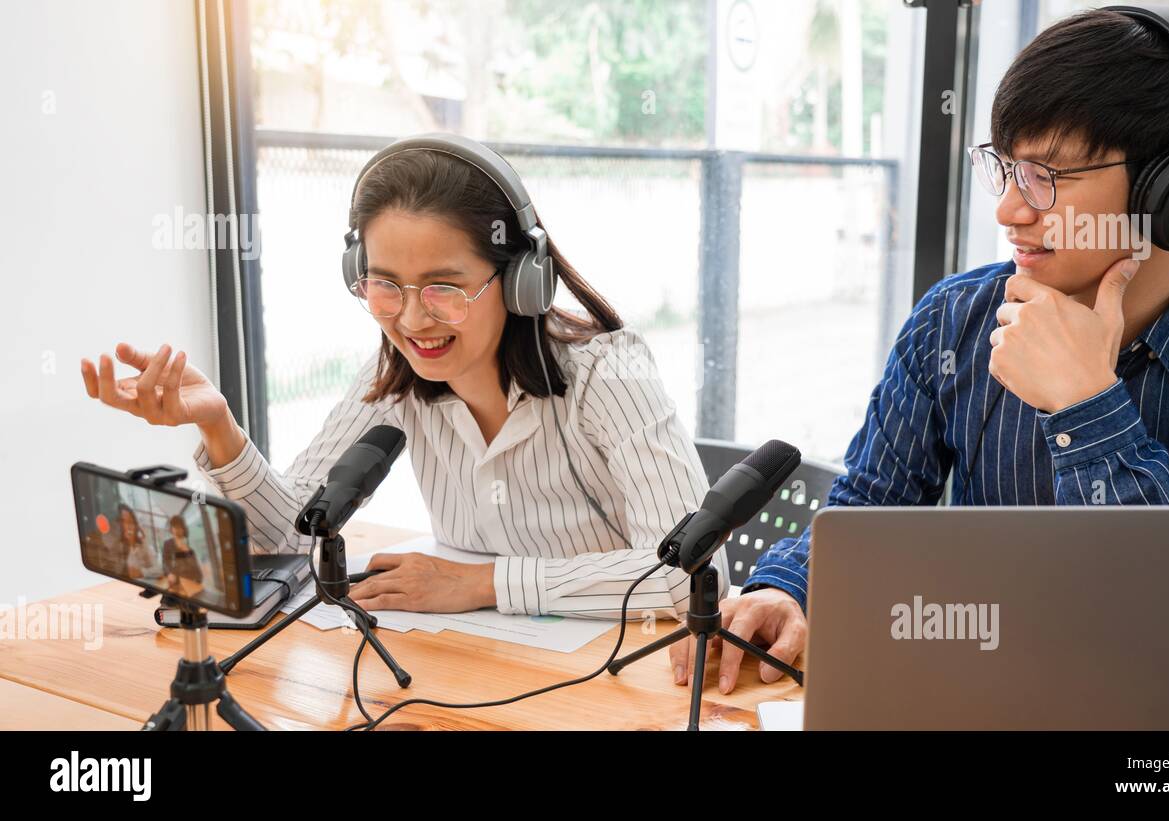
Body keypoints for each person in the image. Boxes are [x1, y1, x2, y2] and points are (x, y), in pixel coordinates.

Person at [670, 6, 1169, 695]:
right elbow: (872, 506)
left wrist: (1088, 406)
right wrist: (791, 589)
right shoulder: (955, 320)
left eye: (1047, 178)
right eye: (1006, 169)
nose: (1008, 211)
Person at [80, 134, 726, 650]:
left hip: (624, 677)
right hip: (479, 664)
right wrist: (219, 426)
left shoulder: (608, 374)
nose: (413, 320)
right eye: (385, 285)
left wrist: (479, 583)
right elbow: (292, 534)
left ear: (523, 280)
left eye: (445, 286)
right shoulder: (394, 374)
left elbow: (691, 574)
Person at [161, 515, 204, 593]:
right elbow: (165, 562)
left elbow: (199, 576)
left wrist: (186, 552)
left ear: (184, 530)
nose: (177, 530)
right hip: (173, 585)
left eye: (180, 527)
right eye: (175, 527)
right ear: (171, 529)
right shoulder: (167, 544)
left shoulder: (190, 550)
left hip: (188, 586)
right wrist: (169, 573)